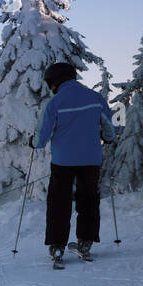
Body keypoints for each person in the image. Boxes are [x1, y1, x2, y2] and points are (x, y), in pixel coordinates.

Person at [34, 62, 116, 262]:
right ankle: (86, 240)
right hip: (90, 160)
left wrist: (34, 143)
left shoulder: (55, 102)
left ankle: (57, 245)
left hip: (63, 161)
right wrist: (109, 138)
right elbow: (108, 126)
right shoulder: (95, 98)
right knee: (88, 199)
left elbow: (42, 135)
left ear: (54, 81)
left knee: (58, 202)